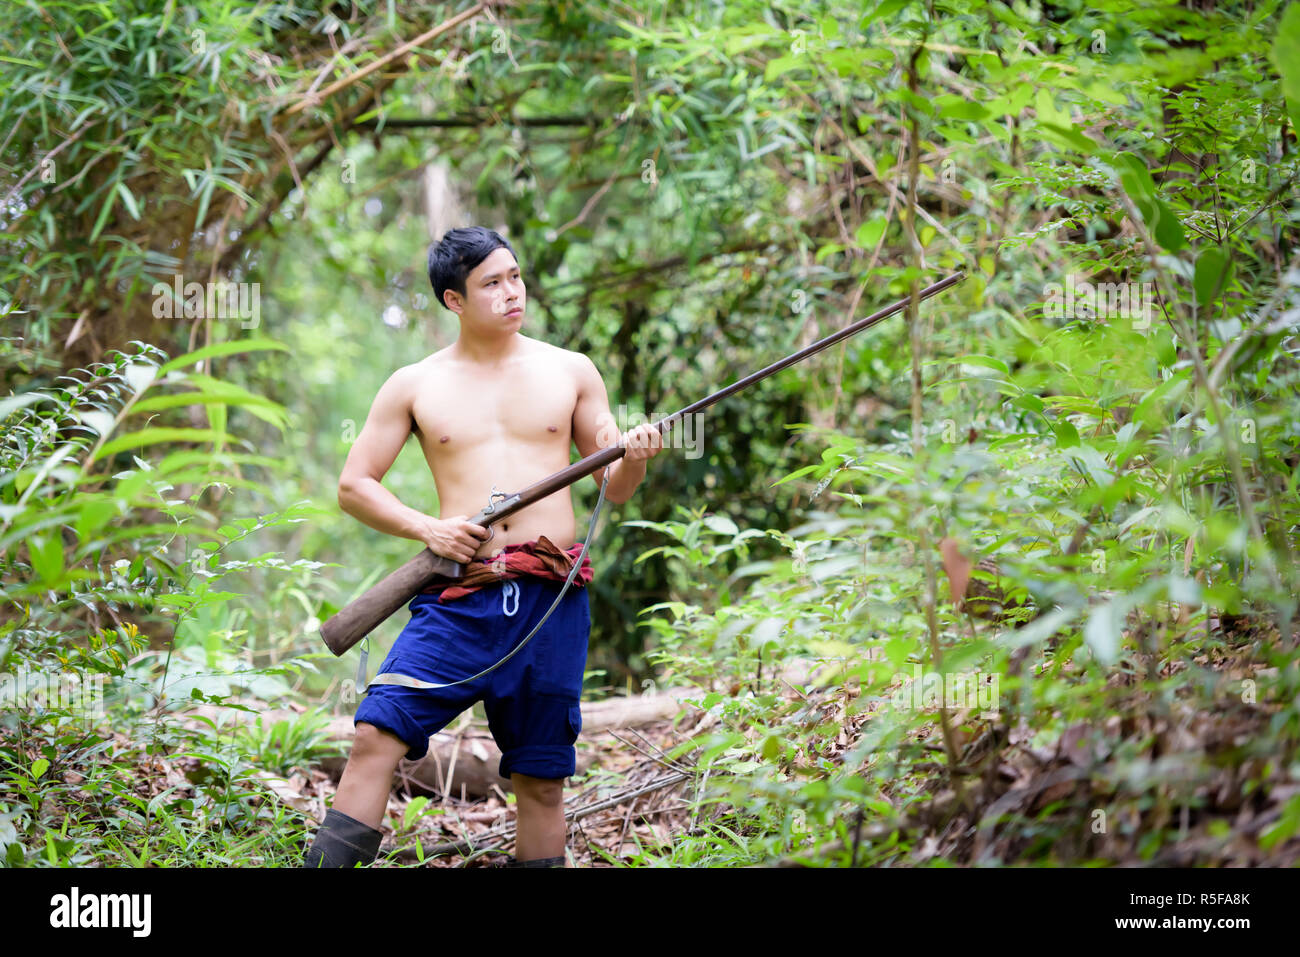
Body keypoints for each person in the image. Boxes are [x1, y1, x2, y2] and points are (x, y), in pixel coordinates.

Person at [303, 226, 663, 868]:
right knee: (374, 734)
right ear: (454, 301)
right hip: (458, 596)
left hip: (550, 601)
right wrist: (428, 529)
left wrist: (634, 457)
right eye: (491, 283)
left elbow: (617, 484)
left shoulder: (571, 371)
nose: (511, 293)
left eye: (516, 277)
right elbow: (354, 486)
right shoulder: (414, 384)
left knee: (541, 778)